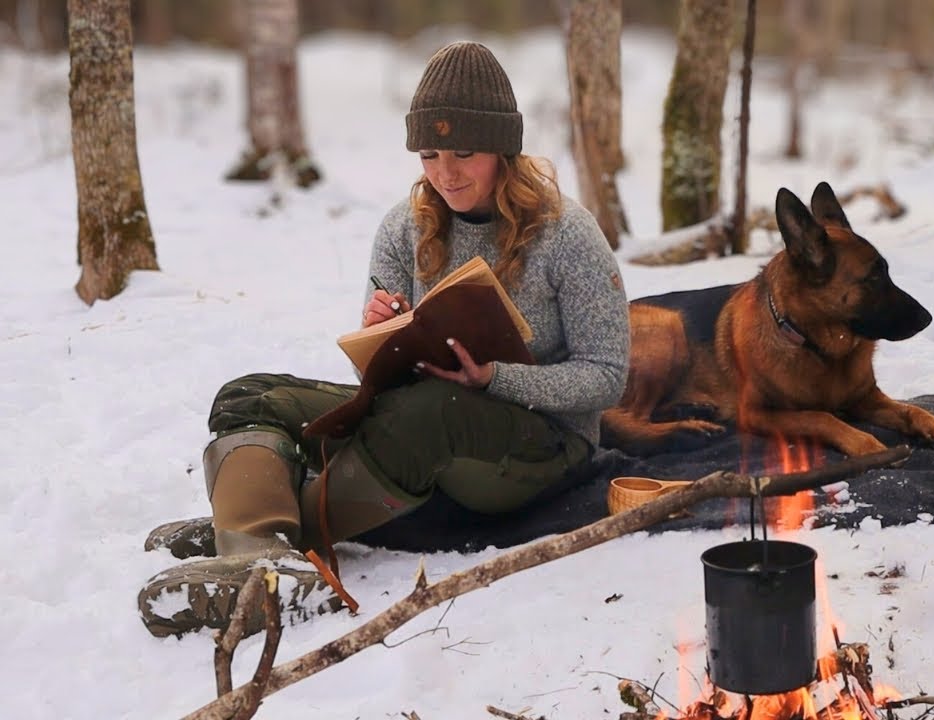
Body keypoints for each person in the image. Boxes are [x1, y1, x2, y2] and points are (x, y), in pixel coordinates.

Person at [137, 41, 631, 638]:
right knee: (249, 396)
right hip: (418, 415)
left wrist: (494, 378)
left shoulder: (566, 233)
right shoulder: (405, 225)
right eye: (429, 153)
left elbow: (608, 375)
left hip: (542, 445)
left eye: (465, 153)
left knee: (428, 411)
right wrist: (380, 333)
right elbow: (380, 380)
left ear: (505, 147)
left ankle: (268, 538)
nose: (445, 173)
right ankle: (256, 548)